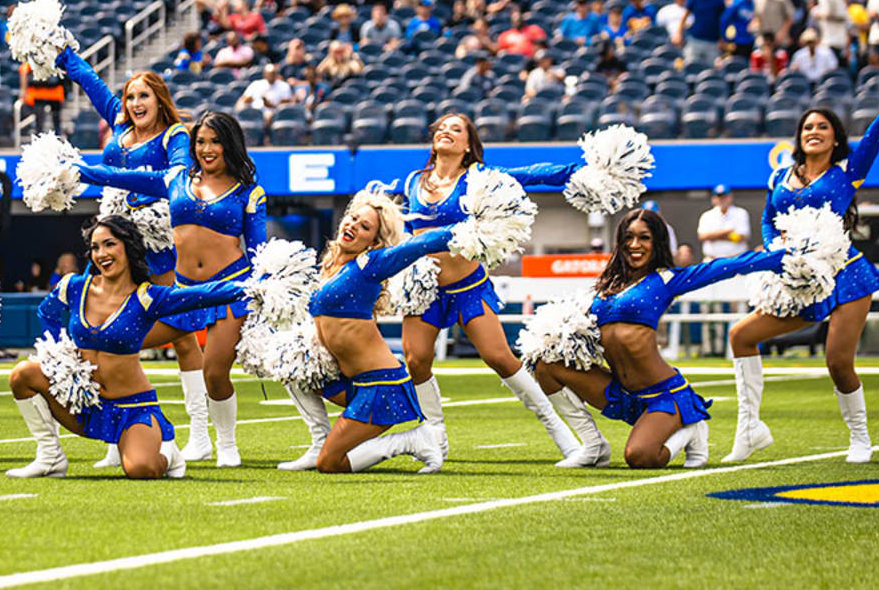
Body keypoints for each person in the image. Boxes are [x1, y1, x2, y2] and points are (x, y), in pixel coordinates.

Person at [69, 111, 267, 468]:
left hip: (229, 292)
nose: (207, 149)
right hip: (184, 292)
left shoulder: (250, 193)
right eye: (201, 142)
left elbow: (258, 251)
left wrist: (262, 292)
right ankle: (121, 436)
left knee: (215, 373)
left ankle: (226, 445)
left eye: (215, 142)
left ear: (230, 145)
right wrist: (74, 171)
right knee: (116, 343)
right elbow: (117, 176)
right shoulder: (176, 178)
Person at [727, 95, 879, 464]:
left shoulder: (849, 171)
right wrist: (776, 249)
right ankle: (750, 429)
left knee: (837, 362)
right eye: (808, 127)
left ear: (835, 138)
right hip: (798, 279)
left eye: (822, 127)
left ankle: (860, 438)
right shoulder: (779, 177)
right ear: (799, 138)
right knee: (740, 336)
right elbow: (768, 219)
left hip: (846, 276)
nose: (814, 132)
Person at [532, 209, 791, 468]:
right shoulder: (606, 284)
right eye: (628, 237)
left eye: (644, 238)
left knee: (640, 457)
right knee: (544, 366)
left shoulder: (666, 280)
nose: (635, 245)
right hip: (621, 392)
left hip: (663, 396)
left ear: (656, 242)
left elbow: (721, 267)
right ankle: (593, 446)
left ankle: (691, 429)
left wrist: (778, 258)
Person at [54, 48, 212, 465]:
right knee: (101, 330)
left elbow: (170, 179)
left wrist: (95, 174)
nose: (135, 104)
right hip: (114, 240)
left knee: (179, 331)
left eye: (144, 96)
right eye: (130, 97)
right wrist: (65, 54)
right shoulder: (120, 126)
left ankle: (199, 433)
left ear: (160, 100)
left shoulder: (176, 137)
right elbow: (93, 86)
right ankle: (113, 435)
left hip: (155, 242)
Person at [399, 113, 586, 461]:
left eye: (456, 129)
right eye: (441, 127)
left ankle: (564, 436)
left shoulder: (479, 179)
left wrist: (576, 172)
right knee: (415, 359)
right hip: (425, 290)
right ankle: (435, 434)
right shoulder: (413, 181)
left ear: (469, 145)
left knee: (499, 357)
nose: (445, 132)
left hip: (468, 287)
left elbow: (529, 175)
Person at [7, 216, 249, 479]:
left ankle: (169, 454)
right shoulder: (76, 286)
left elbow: (202, 294)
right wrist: (58, 355)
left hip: (133, 409)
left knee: (141, 469)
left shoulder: (146, 297)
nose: (102, 254)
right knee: (23, 374)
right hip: (87, 404)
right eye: (95, 247)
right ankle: (50, 456)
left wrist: (250, 288)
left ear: (128, 247)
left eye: (110, 244)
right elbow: (47, 313)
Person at [281, 186, 452, 472]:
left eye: (365, 227)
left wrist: (465, 231)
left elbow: (418, 245)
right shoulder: (329, 263)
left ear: (373, 241)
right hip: (348, 382)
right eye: (352, 219)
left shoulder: (370, 264)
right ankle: (318, 442)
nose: (353, 226)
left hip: (379, 386)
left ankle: (412, 440)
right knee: (293, 365)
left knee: (331, 463)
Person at [675, 0, 726, 65]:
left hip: (713, 42)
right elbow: (685, 16)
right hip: (695, 39)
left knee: (712, 73)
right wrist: (678, 33)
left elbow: (723, 20)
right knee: (690, 66)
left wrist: (722, 38)